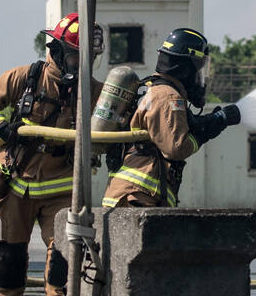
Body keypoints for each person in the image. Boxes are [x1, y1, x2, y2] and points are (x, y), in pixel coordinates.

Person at [0, 13, 102, 296]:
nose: (80, 65)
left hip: (61, 184)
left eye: (87, 58)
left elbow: (118, 121)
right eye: (75, 56)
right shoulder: (29, 77)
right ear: (57, 52)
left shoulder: (93, 90)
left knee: (64, 250)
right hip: (16, 179)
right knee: (8, 249)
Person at [102, 28, 239, 208]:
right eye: (197, 67)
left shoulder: (155, 88)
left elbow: (184, 126)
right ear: (185, 67)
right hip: (138, 197)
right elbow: (177, 147)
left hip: (135, 196)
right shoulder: (167, 97)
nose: (199, 76)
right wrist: (213, 127)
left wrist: (216, 120)